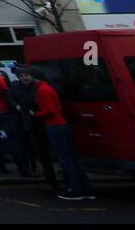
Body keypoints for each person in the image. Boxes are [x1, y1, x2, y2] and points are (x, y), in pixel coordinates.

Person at [21, 68, 93, 200]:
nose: (25, 78)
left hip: (54, 126)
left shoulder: (43, 90)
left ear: (35, 76)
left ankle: (75, 189)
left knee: (65, 159)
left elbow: (50, 110)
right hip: (60, 125)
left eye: (28, 75)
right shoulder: (46, 88)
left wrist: (35, 114)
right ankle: (86, 189)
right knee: (72, 158)